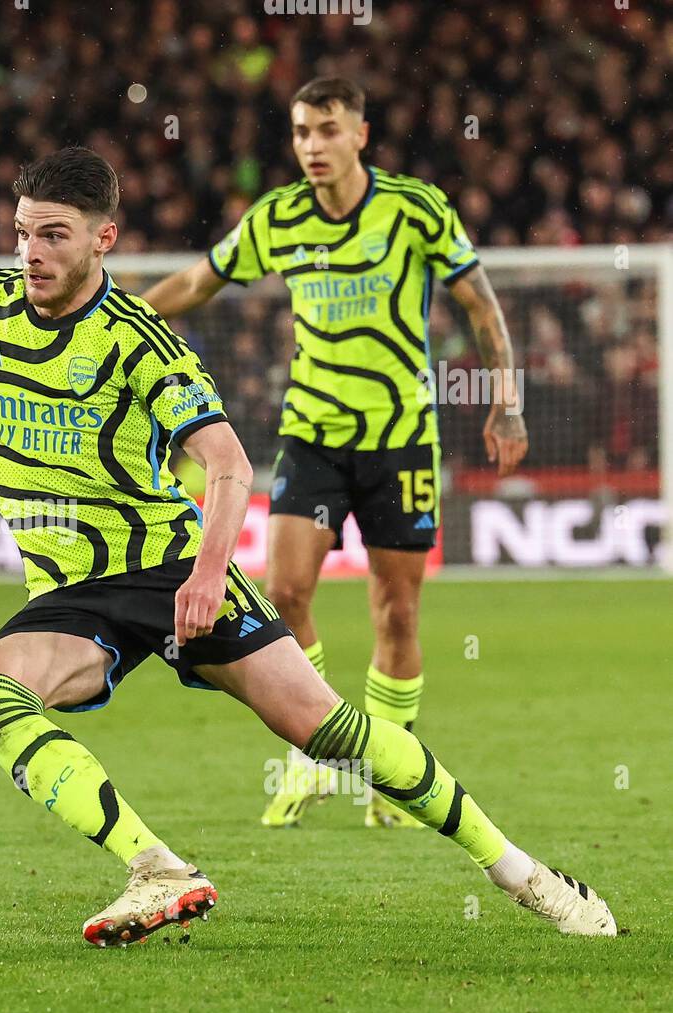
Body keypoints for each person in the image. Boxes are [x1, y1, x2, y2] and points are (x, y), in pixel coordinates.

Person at [0, 147, 611, 946]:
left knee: (328, 733)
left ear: (105, 238)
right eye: (23, 231)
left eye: (53, 234)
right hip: (74, 588)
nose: (31, 251)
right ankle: (156, 868)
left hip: (170, 567)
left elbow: (231, 465)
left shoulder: (139, 339)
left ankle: (526, 876)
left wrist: (208, 575)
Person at [143, 78, 530, 829]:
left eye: (326, 130)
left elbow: (480, 302)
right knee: (284, 595)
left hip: (401, 438)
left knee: (397, 612)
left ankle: (396, 771)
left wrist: (506, 403)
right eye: (300, 133)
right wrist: (114, 310)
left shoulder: (415, 208)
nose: (312, 146)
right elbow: (197, 281)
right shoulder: (278, 218)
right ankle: (314, 747)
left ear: (361, 133)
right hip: (313, 434)